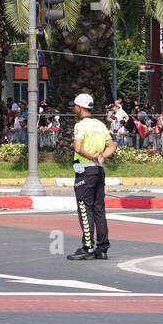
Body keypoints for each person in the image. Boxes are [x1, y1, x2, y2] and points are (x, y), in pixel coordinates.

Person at [67, 92, 114, 260]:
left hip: (85, 171)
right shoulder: (100, 125)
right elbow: (111, 146)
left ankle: (87, 247)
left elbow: (78, 148)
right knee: (99, 209)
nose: (74, 108)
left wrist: (91, 156)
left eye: (75, 106)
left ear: (79, 108)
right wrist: (101, 156)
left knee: (85, 209)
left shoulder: (81, 125)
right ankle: (102, 247)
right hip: (99, 170)